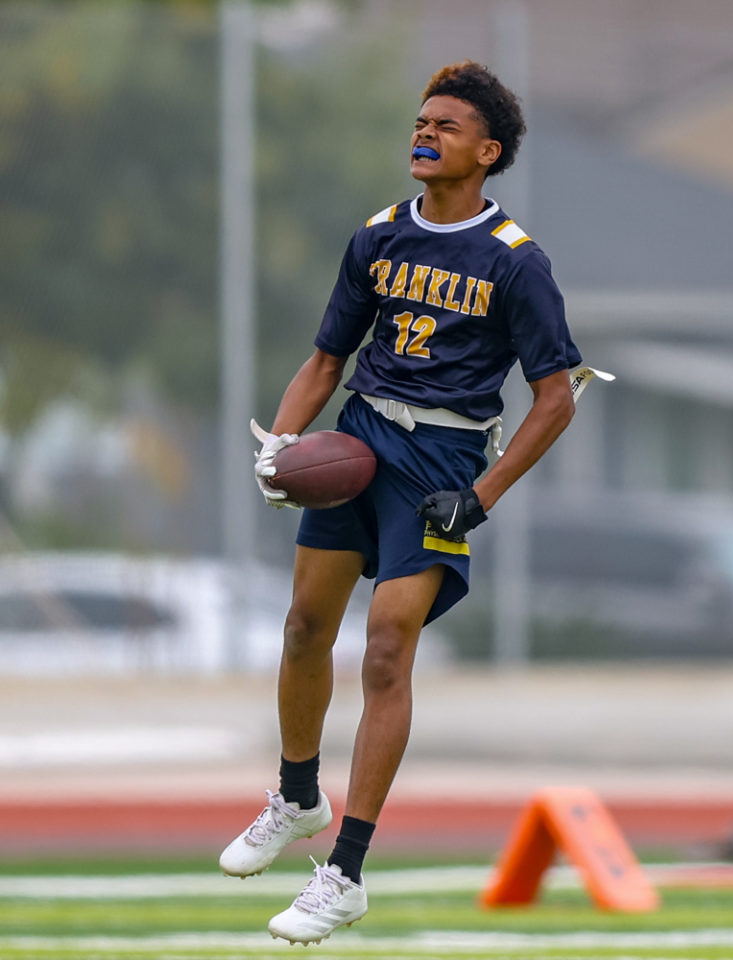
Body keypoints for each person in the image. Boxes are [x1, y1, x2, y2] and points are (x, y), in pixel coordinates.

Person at [219, 60, 583, 945]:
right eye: (421, 120)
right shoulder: (378, 236)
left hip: (441, 460)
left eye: (446, 126)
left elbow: (556, 398)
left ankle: (344, 873)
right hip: (360, 438)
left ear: (487, 152)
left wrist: (481, 498)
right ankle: (297, 795)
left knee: (386, 651)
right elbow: (326, 361)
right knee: (304, 627)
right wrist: (282, 443)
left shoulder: (516, 261)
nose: (425, 133)